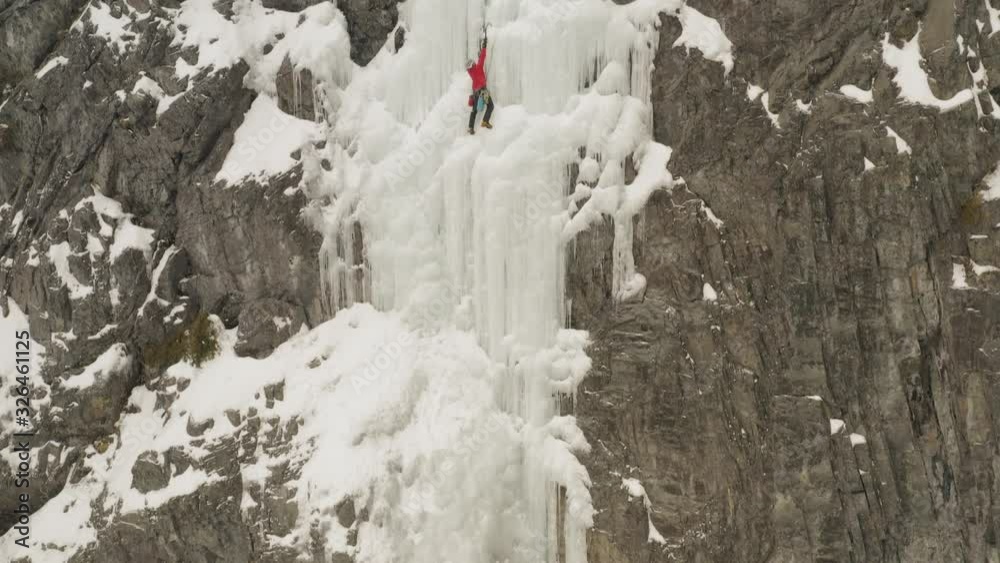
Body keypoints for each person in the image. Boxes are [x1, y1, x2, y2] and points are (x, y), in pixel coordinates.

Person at [466, 33, 494, 134]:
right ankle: (485, 121)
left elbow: (479, 60)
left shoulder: (471, 73)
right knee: (490, 106)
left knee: (474, 110)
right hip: (483, 91)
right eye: (473, 63)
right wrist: (484, 46)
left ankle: (470, 127)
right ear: (473, 65)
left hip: (476, 93)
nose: (474, 63)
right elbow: (482, 57)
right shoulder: (478, 68)